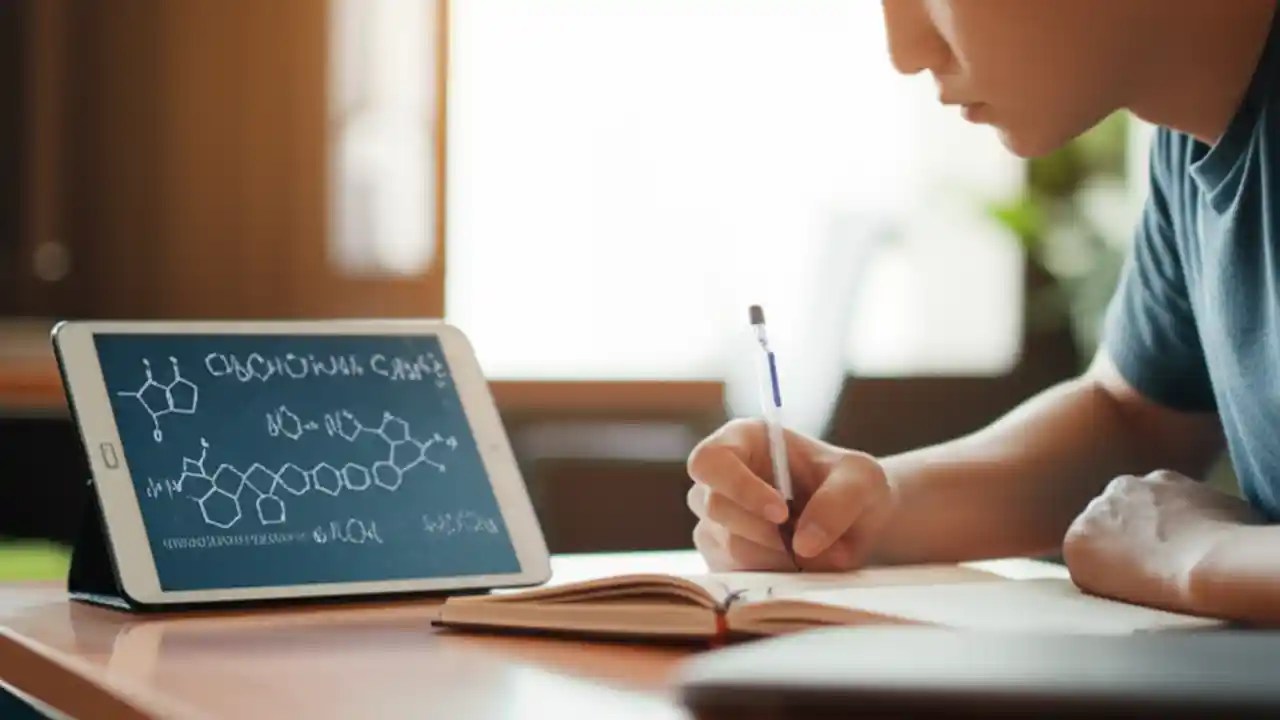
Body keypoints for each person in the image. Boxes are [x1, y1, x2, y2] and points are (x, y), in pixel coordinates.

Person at [685, 0, 1280, 625]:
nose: (906, 52)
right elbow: (1135, 421)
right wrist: (860, 511)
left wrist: (1201, 557)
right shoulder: (1193, 139)